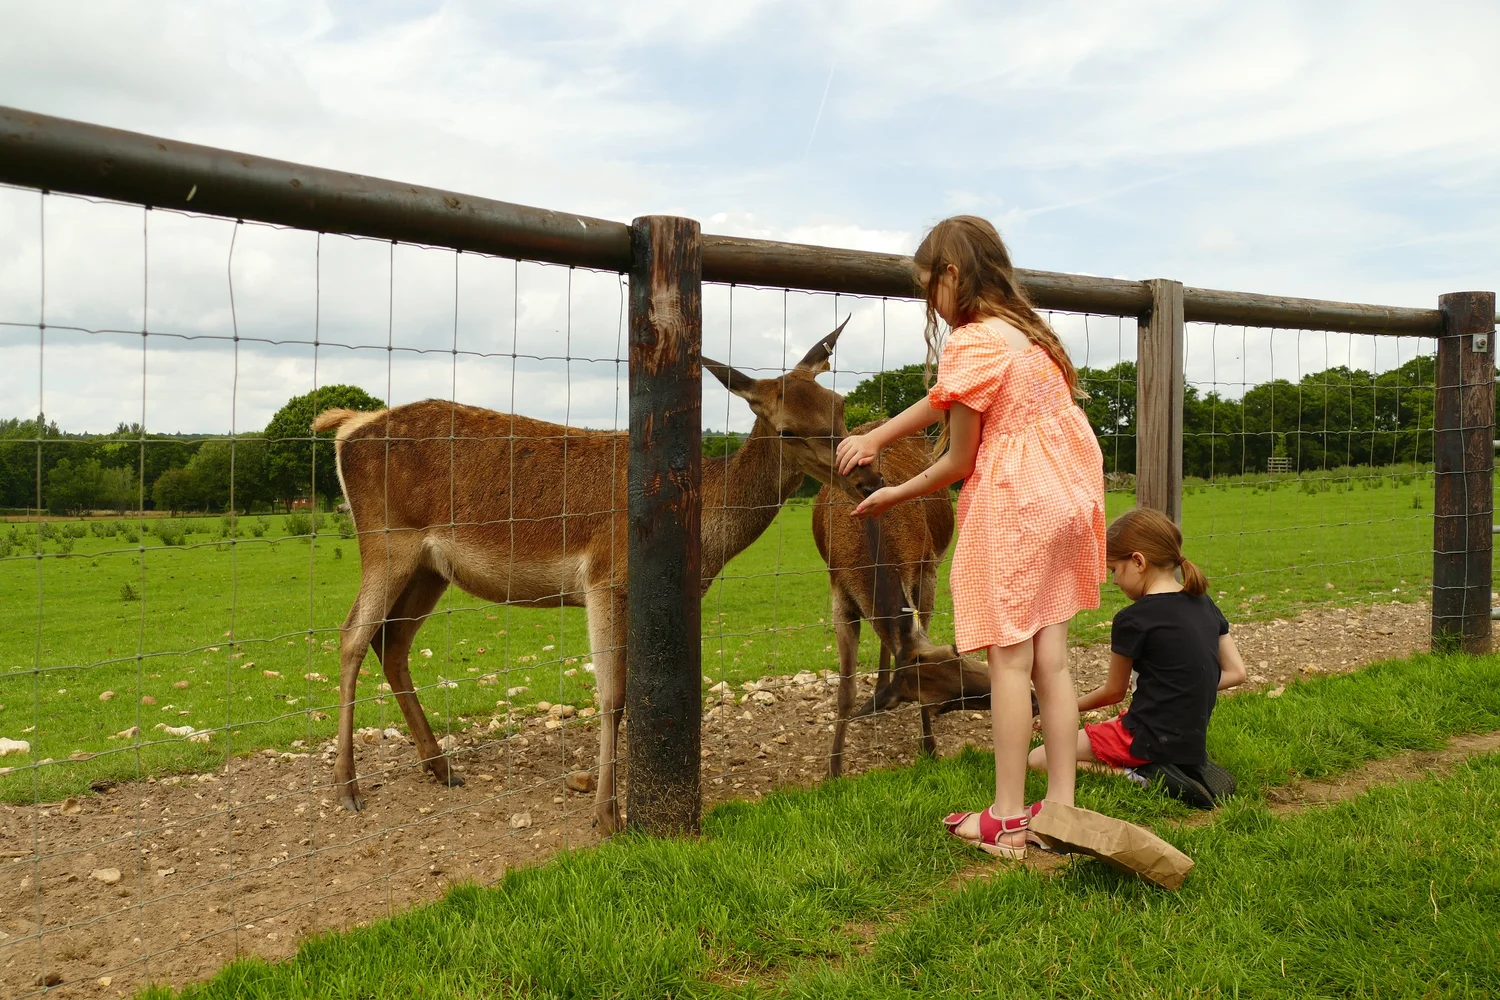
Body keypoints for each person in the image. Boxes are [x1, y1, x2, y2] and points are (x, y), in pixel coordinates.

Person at [839, 215, 1105, 858]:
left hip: (1017, 505)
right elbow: (945, 399)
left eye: (930, 287)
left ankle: (1008, 817)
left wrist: (894, 491)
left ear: (952, 275)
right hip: (1067, 498)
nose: (931, 301)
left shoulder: (971, 340)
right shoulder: (1029, 337)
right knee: (1053, 661)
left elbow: (959, 459)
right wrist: (879, 436)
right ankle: (1061, 810)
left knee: (1007, 662)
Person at [1027, 507, 1247, 808]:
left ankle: (1141, 775)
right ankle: (1177, 768)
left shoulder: (1133, 620)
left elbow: (1113, 692)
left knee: (1039, 758)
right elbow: (1237, 672)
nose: (1114, 581)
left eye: (1114, 570)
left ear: (1138, 561)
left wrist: (1063, 710)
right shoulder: (1204, 603)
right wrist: (1184, 688)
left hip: (1143, 736)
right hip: (1188, 741)